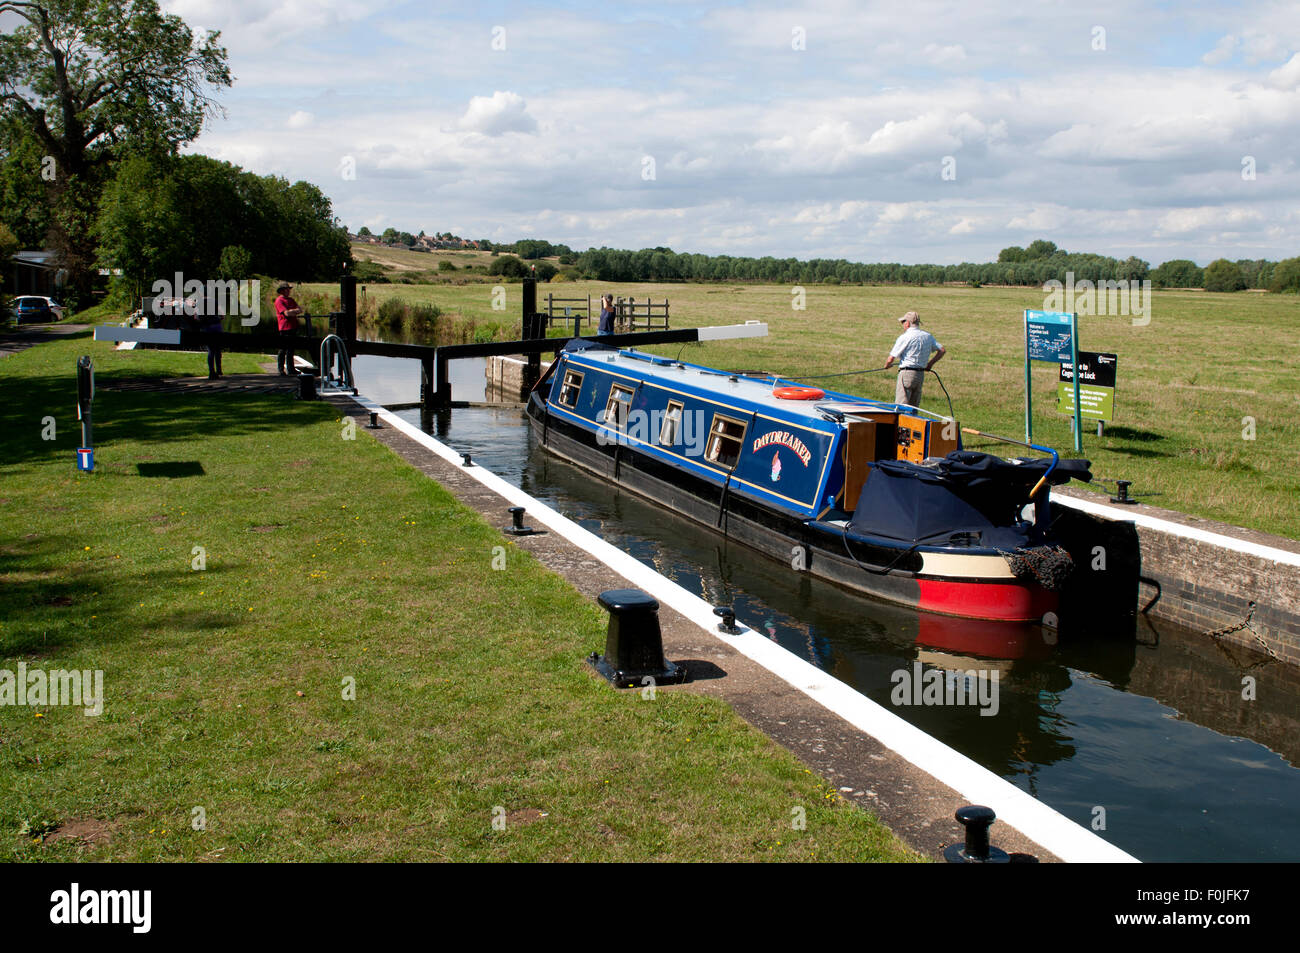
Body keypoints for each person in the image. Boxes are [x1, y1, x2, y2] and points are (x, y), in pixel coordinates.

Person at [884, 310, 945, 407]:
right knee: (914, 408)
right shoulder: (928, 336)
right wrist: (929, 365)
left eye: (903, 322)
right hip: (920, 375)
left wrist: (887, 365)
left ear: (907, 323)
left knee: (901, 407)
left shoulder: (905, 337)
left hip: (906, 373)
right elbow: (942, 350)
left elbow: (891, 359)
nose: (902, 325)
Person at [274, 282, 303, 375]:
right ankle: (280, 369)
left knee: (291, 349)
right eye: (286, 289)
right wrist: (294, 311)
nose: (288, 291)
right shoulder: (279, 300)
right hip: (284, 327)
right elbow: (286, 313)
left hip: (293, 326)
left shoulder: (291, 300)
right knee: (283, 349)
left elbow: (300, 310)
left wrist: (292, 311)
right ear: (282, 291)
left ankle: (291, 369)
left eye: (288, 289)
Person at [200, 313, 223, 379]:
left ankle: (212, 371)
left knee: (211, 350)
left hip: (207, 328)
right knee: (217, 349)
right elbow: (222, 316)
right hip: (216, 327)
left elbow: (198, 318)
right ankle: (218, 370)